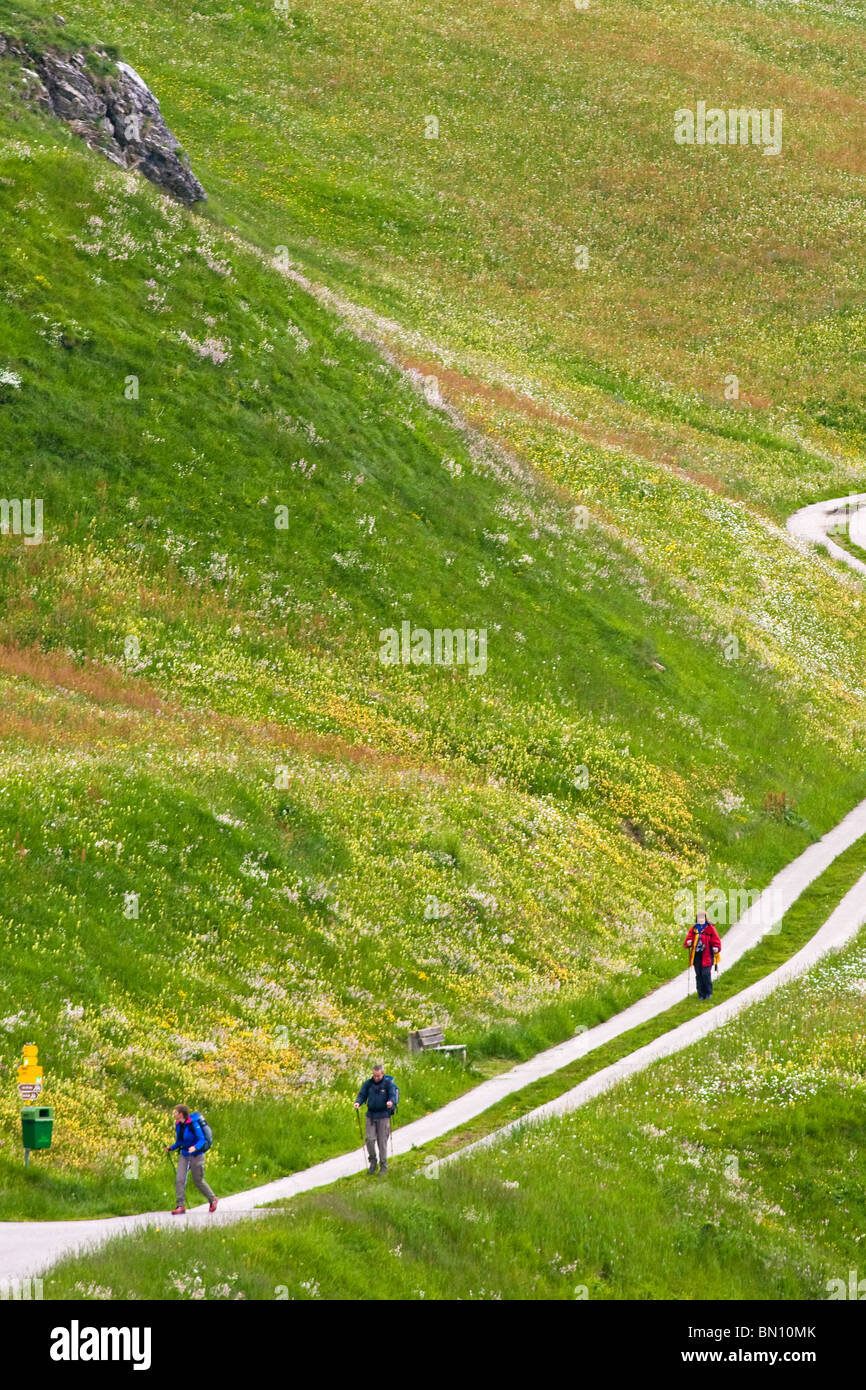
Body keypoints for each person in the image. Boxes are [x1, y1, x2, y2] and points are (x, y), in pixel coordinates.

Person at [166, 1104, 218, 1214]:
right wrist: (172, 1147)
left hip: (197, 1155)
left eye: (175, 1112)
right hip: (184, 1154)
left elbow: (202, 1139)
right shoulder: (178, 1124)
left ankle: (212, 1199)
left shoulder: (193, 1124)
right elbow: (180, 1141)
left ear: (181, 1114)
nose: (174, 1114)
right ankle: (180, 1206)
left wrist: (195, 1147)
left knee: (198, 1180)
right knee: (179, 1179)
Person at [354, 1062, 396, 1175]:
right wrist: (358, 1102)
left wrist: (390, 1102)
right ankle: (373, 1163)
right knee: (370, 1140)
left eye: (378, 1076)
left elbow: (392, 1095)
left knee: (382, 1142)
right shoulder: (368, 1084)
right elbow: (362, 1094)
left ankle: (384, 1166)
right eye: (374, 1075)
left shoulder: (388, 1084)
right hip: (371, 1116)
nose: (376, 1078)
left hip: (383, 1116)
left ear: (383, 1074)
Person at [684, 910, 722, 1001]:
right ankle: (701, 995)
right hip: (696, 955)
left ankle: (708, 993)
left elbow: (716, 940)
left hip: (708, 955)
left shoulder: (710, 928)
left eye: (702, 918)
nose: (701, 919)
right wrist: (689, 942)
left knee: (705, 974)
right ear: (696, 919)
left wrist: (716, 947)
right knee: (699, 975)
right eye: (699, 918)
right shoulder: (694, 929)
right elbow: (687, 940)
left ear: (706, 918)